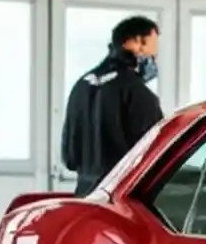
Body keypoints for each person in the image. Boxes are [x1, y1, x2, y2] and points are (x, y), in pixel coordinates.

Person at [61, 16, 164, 196]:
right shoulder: (138, 93)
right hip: (120, 202)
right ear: (136, 43)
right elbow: (155, 158)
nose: (154, 58)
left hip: (85, 198)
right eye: (153, 50)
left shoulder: (81, 87)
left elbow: (70, 157)